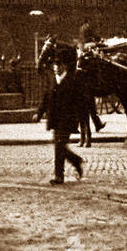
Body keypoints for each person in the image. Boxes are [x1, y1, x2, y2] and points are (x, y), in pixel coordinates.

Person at [46, 48, 84, 184]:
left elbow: (78, 101)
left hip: (67, 119)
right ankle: (75, 160)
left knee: (59, 145)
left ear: (65, 66)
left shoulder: (71, 80)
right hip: (55, 119)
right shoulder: (53, 80)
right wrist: (39, 114)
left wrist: (78, 119)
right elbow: (46, 98)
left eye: (59, 65)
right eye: (55, 65)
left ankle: (59, 176)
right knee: (59, 146)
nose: (56, 67)